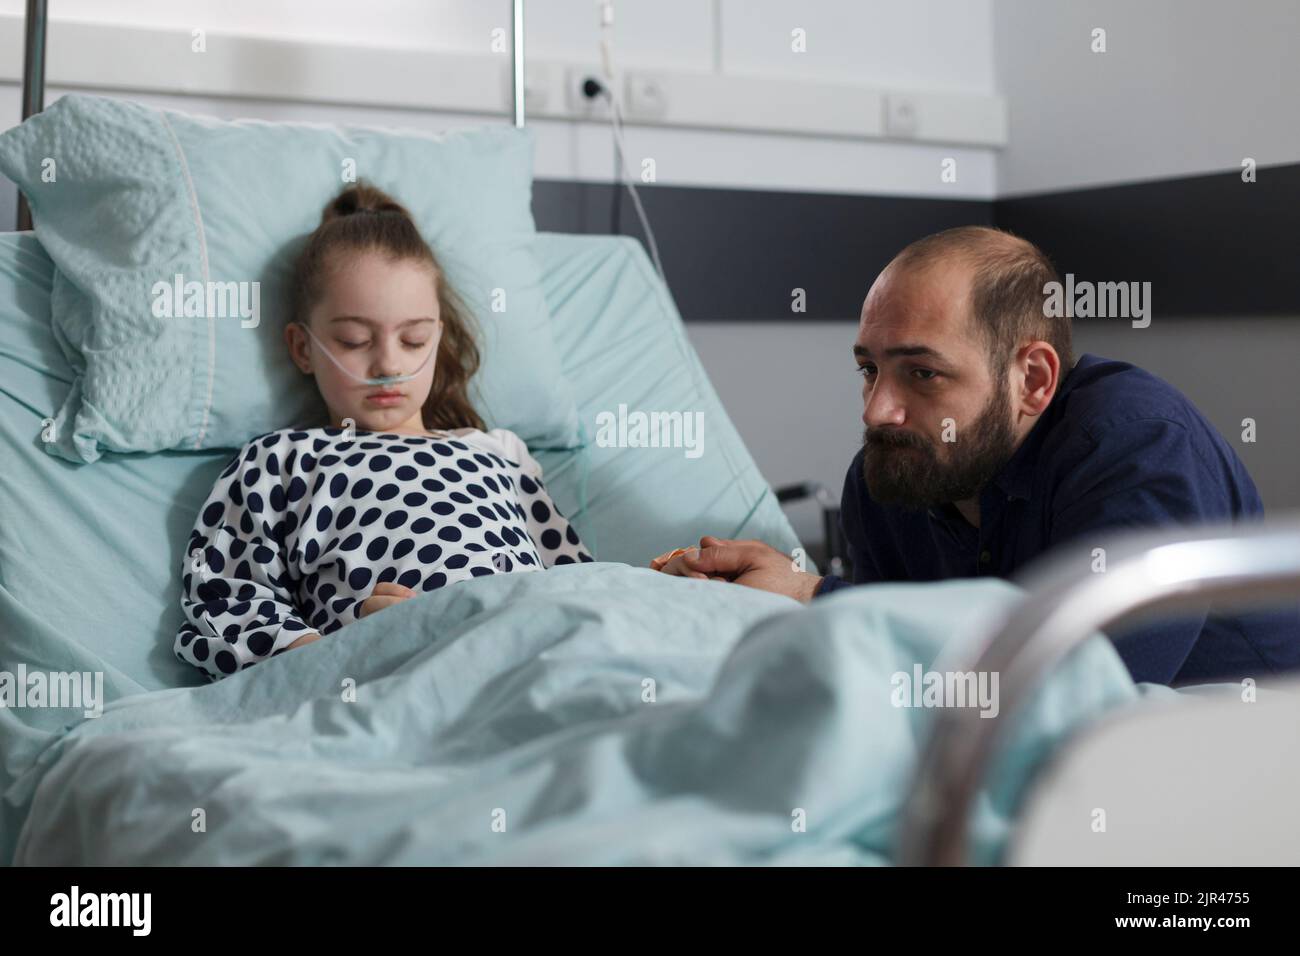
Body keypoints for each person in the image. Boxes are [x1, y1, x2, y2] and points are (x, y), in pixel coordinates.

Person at [656, 226, 1299, 686]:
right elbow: (895, 674)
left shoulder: (1138, 448)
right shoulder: (890, 478)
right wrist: (766, 600)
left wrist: (816, 594)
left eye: (923, 375)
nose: (876, 411)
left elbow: (1083, 690)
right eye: (868, 369)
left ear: (1033, 381)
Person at [174, 183, 591, 681]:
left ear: (439, 338)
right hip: (386, 681)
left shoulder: (498, 454)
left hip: (532, 657)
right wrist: (348, 650)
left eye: (414, 340)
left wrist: (667, 577)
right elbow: (226, 596)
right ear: (302, 348)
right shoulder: (280, 462)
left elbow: (579, 581)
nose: (389, 363)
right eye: (354, 340)